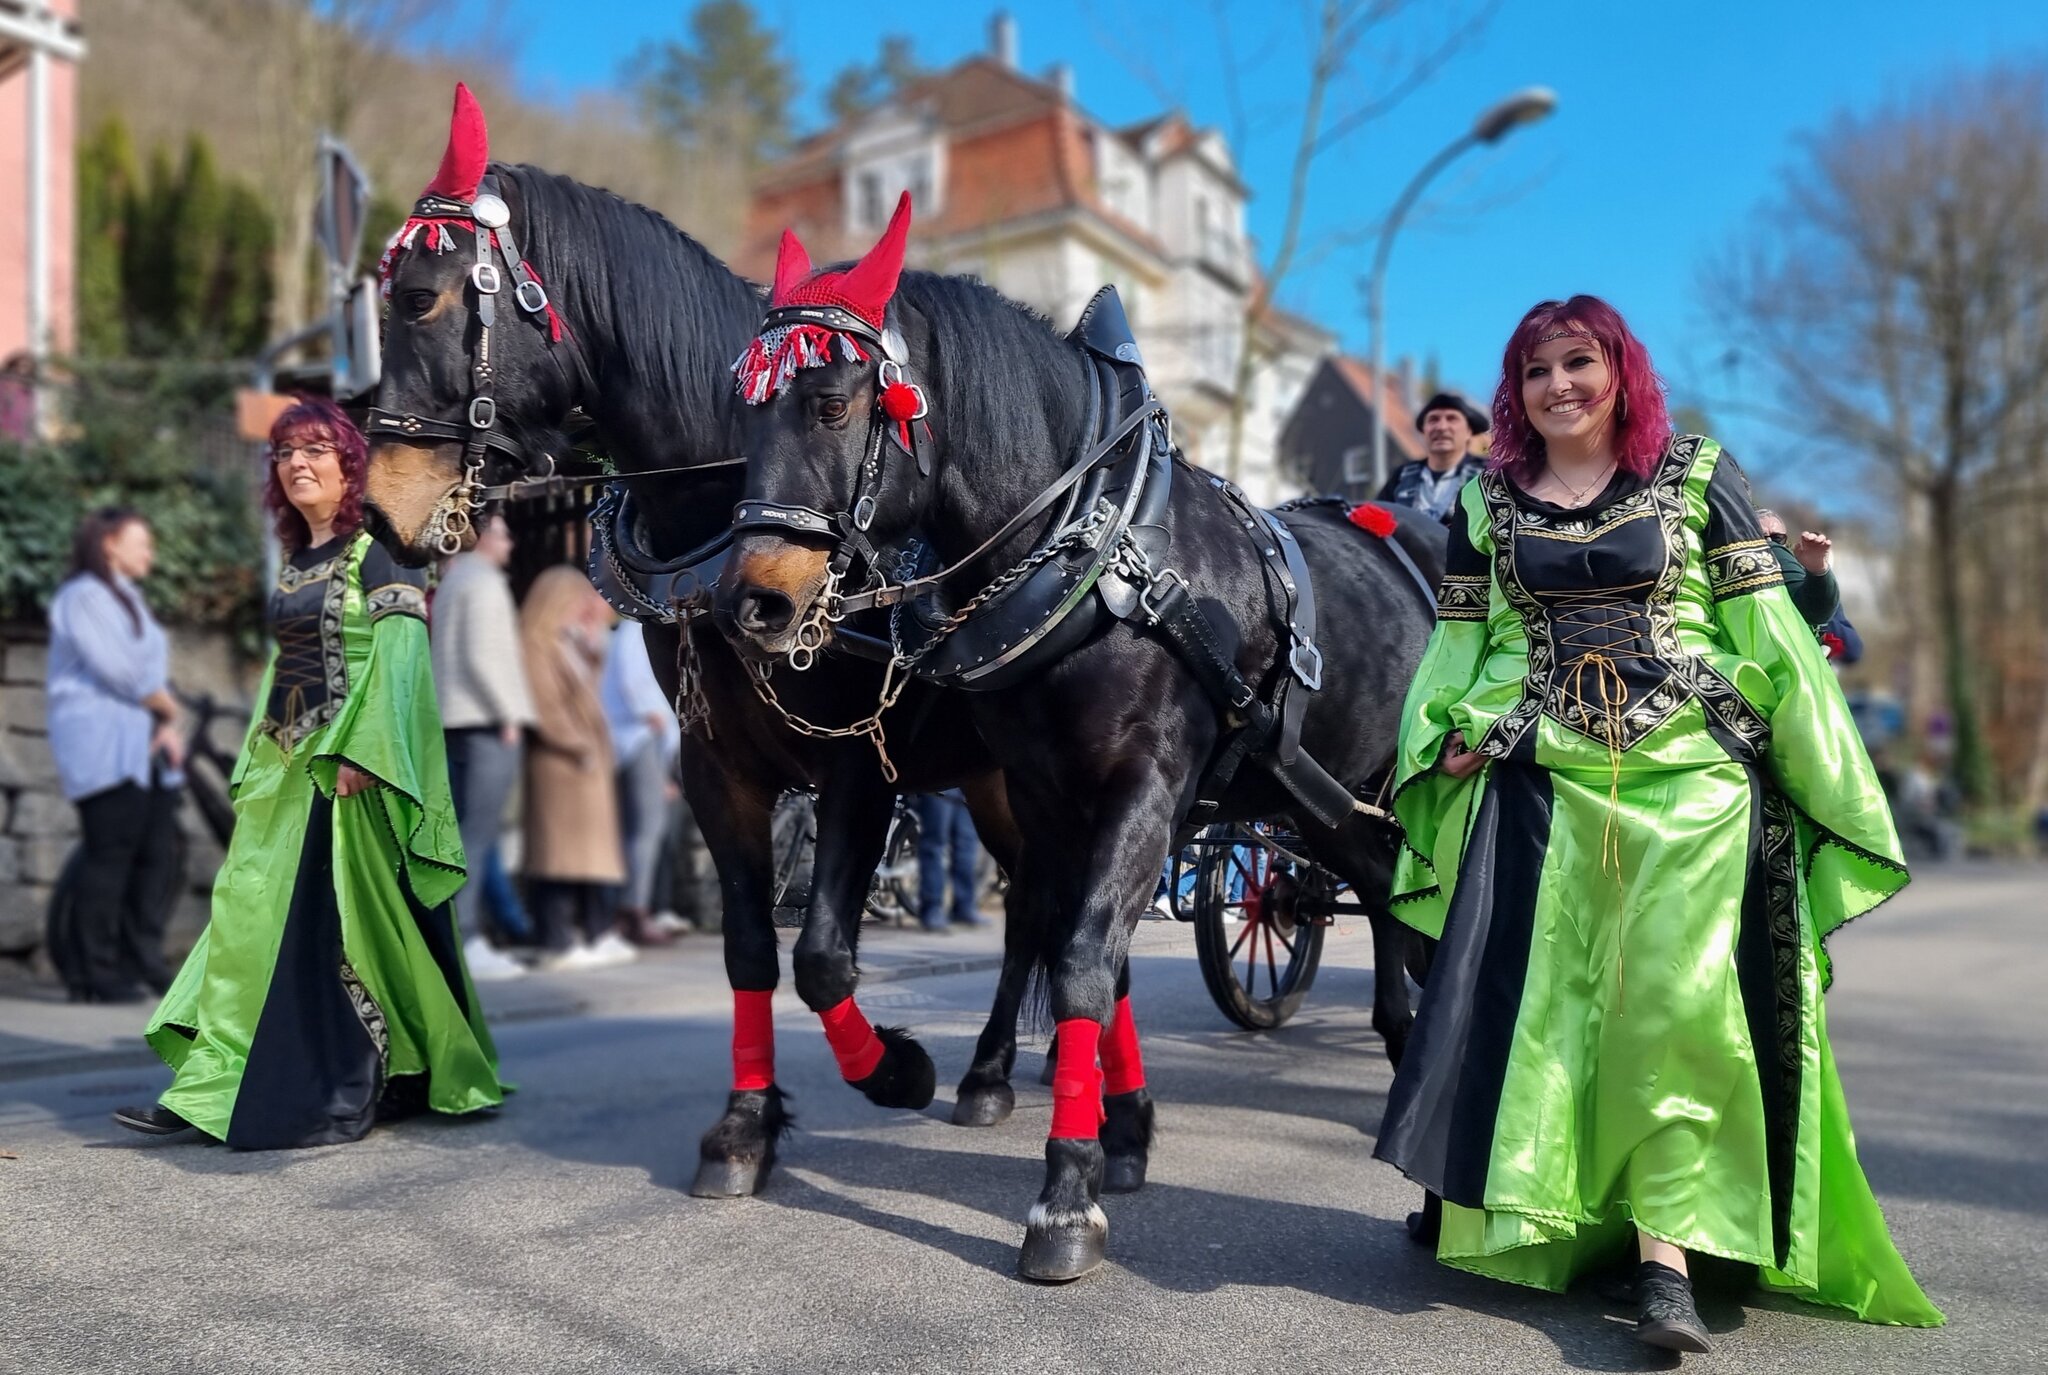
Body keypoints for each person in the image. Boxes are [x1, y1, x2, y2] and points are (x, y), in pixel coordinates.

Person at [1377, 296, 1941, 1353]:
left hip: (1691, 781)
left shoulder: (1691, 473)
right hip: (1545, 782)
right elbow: (1471, 646)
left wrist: (1805, 755)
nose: (1558, 386)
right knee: (1557, 1017)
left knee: (1673, 1017)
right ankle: (1549, 1209)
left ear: (1617, 368)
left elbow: (1761, 623)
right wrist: (1452, 729)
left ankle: (1664, 1261)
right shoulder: (1488, 507)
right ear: (1516, 391)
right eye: (1536, 370)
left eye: (1577, 362)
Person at [116, 397, 505, 1147]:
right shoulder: (299, 560)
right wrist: (259, 756)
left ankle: (342, 1075)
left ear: (349, 464)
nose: (297, 463)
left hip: (347, 774)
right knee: (245, 923)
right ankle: (213, 1083)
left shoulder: (380, 552)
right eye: (286, 453)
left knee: (347, 935)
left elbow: (400, 662)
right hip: (284, 776)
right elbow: (283, 667)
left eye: (315, 449)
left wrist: (365, 748)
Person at [45, 508, 183, 1002]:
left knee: (153, 856)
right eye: (140, 543)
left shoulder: (130, 599)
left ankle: (139, 961)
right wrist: (167, 705)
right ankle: (93, 974)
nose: (150, 553)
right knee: (109, 857)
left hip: (143, 746)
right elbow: (119, 669)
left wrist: (166, 724)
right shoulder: (83, 596)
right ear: (109, 545)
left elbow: (146, 672)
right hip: (104, 744)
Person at [431, 511, 534, 980]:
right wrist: (508, 714)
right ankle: (466, 939)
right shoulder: (486, 582)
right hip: (488, 721)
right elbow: (483, 656)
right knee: (478, 835)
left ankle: (457, 935)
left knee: (457, 834)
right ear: (486, 538)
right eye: (504, 533)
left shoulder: (453, 580)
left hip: (453, 719)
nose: (510, 543)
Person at [520, 566, 632, 970]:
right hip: (561, 763)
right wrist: (576, 743)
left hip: (584, 764)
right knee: (558, 858)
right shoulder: (535, 642)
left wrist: (592, 645)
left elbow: (591, 692)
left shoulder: (565, 641)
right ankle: (557, 940)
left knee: (586, 858)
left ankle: (586, 934)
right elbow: (544, 704)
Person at [600, 618, 680, 947]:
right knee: (647, 828)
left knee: (639, 830)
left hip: (641, 736)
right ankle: (635, 910)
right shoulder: (636, 629)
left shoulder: (629, 631)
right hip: (642, 736)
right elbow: (634, 682)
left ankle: (629, 909)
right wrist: (655, 716)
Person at [1375, 391, 1489, 523]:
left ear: (1469, 431)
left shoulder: (1487, 474)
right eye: (1433, 419)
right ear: (1424, 431)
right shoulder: (1402, 476)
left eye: (1451, 418)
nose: (1441, 427)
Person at [1756, 507, 1841, 628]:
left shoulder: (1794, 564)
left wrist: (1818, 569)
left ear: (1785, 541)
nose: (1770, 542)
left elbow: (1817, 611)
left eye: (1777, 538)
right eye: (1760, 536)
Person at [915, 790, 985, 932]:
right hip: (939, 782)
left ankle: (964, 906)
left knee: (966, 844)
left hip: (967, 783)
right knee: (935, 843)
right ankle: (931, 908)